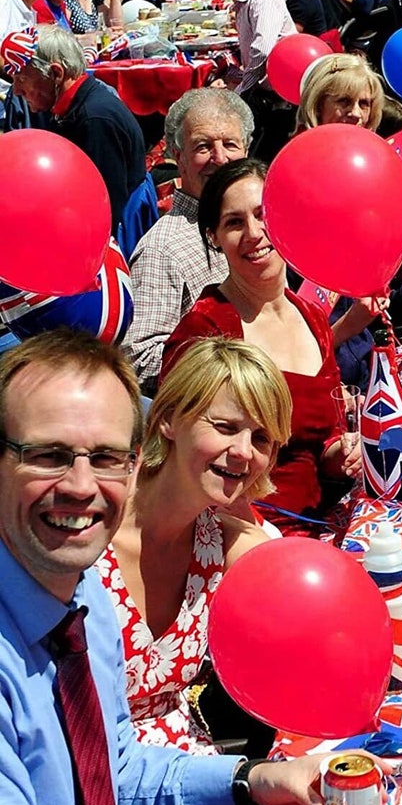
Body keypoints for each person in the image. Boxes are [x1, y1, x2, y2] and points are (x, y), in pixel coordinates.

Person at [0, 327, 400, 805]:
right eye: (47, 455)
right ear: (170, 428)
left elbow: (115, 772)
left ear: (132, 462)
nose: (79, 485)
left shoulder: (78, 592)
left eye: (104, 457)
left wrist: (250, 782)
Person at [100, 336, 292, 805]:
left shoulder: (236, 547)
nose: (243, 453)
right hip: (93, 794)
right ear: (168, 420)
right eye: (225, 427)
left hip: (189, 782)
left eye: (261, 438)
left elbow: (341, 624)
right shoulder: (87, 526)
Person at [161, 159, 357, 532]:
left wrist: (344, 452)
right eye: (234, 223)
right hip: (241, 536)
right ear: (213, 238)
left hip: (323, 524)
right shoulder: (204, 330)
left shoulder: (313, 317)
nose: (254, 233)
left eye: (263, 214)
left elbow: (323, 441)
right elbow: (180, 465)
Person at [125, 87, 255, 393]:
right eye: (203, 147)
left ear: (246, 151)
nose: (220, 158)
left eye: (230, 144)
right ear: (178, 158)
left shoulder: (262, 227)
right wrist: (229, 365)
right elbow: (138, 360)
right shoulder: (163, 248)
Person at [10, 25, 158, 255]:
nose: (17, 91)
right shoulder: (72, 106)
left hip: (117, 232)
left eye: (22, 79)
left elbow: (105, 204)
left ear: (56, 74)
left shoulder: (94, 120)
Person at [211, 0, 296, 160]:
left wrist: (240, 94)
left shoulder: (262, 1)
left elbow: (262, 51)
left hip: (279, 103)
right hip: (266, 95)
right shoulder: (241, 4)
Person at [294, 51, 384, 131]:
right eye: (344, 101)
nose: (355, 113)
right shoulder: (296, 149)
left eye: (363, 103)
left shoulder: (378, 149)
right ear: (318, 105)